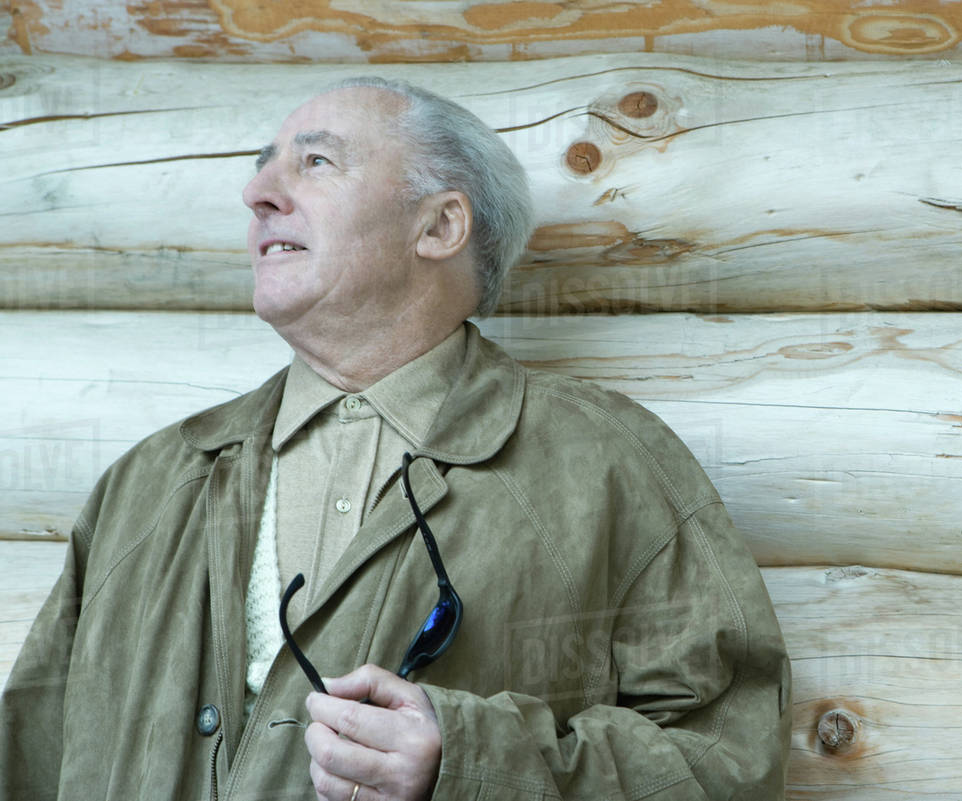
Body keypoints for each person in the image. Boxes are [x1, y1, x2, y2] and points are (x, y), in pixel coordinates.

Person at [0, 78, 791, 800]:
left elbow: (726, 754)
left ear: (441, 224)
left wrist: (472, 763)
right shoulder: (147, 481)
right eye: (261, 166)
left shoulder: (609, 461)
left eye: (314, 162)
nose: (257, 193)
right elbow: (28, 758)